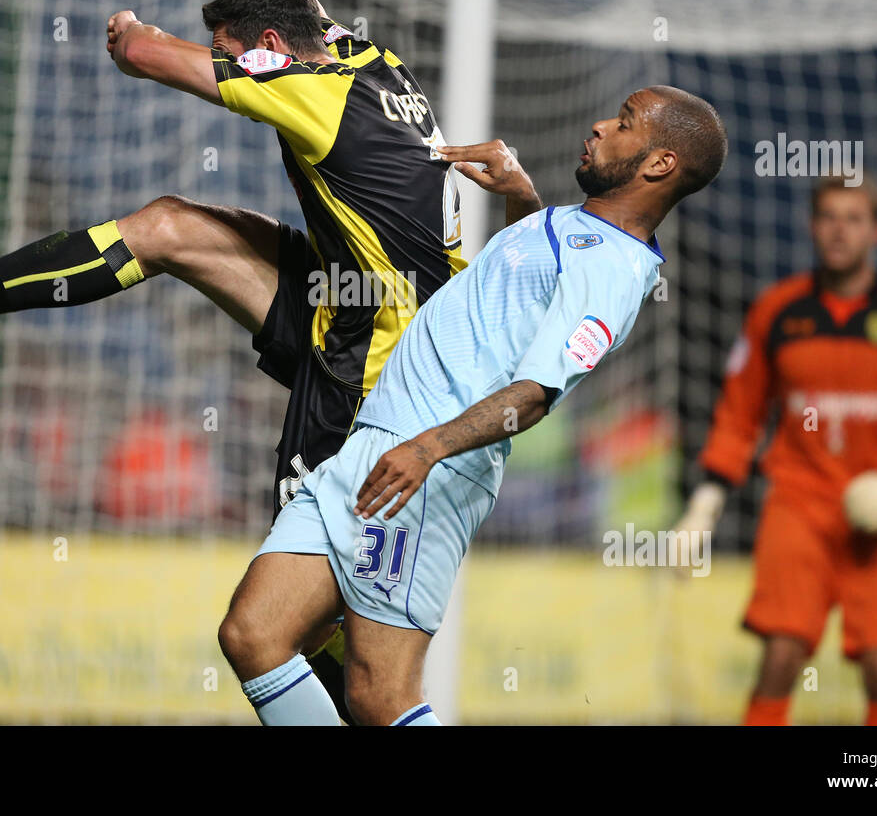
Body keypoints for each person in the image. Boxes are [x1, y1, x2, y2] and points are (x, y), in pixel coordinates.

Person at [0, 0, 541, 722]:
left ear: (271, 55)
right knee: (171, 227)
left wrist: (132, 33)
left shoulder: (314, 96)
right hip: (350, 296)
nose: (226, 69)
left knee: (321, 652)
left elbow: (139, 51)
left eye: (231, 58)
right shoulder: (367, 60)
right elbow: (299, 9)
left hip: (374, 383)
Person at [217, 86, 728, 725]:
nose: (599, 126)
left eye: (623, 124)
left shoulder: (616, 271)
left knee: (381, 697)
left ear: (659, 164)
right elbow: (518, 303)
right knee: (253, 636)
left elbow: (536, 394)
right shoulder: (577, 226)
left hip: (423, 472)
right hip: (375, 447)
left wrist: (428, 450)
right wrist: (520, 195)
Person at [674, 173, 877, 726]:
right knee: (780, 655)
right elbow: (738, 416)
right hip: (799, 505)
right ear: (811, 226)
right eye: (828, 217)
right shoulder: (776, 314)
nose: (839, 231)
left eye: (853, 218)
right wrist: (706, 505)